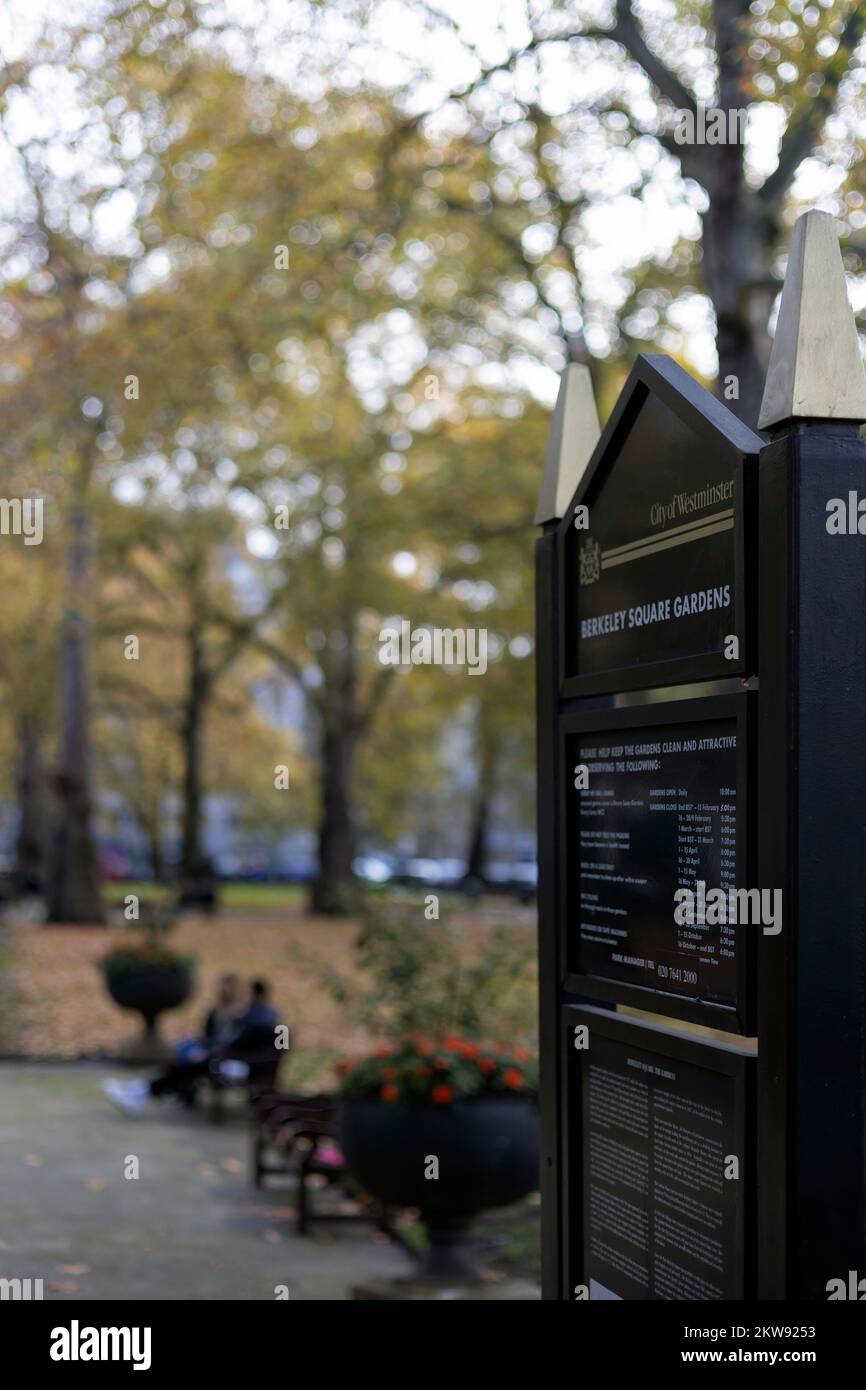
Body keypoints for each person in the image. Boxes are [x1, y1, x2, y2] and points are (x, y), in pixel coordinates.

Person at [103, 978, 280, 1117]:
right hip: (230, 1059)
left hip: (235, 1064)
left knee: (188, 1064)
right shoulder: (261, 1014)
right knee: (186, 1059)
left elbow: (239, 1042)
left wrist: (211, 1050)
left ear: (256, 994)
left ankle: (142, 1091)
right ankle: (142, 1090)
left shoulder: (257, 1016)